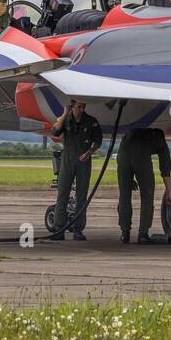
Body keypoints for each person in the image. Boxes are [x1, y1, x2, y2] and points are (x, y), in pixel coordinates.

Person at [49, 100, 103, 241]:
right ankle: (58, 229)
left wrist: (90, 152)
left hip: (83, 160)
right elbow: (55, 131)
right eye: (79, 107)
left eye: (83, 107)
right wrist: (65, 113)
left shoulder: (91, 121)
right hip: (68, 158)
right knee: (63, 194)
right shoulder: (65, 119)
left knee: (82, 195)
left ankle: (78, 229)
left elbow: (98, 140)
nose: (81, 110)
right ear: (72, 106)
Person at [117, 126, 171, 244]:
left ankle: (124, 233)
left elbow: (124, 157)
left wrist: (130, 178)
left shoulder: (131, 132)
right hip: (140, 155)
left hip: (122, 153)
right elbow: (165, 169)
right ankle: (143, 234)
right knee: (147, 196)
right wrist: (169, 192)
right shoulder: (159, 139)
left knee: (124, 196)